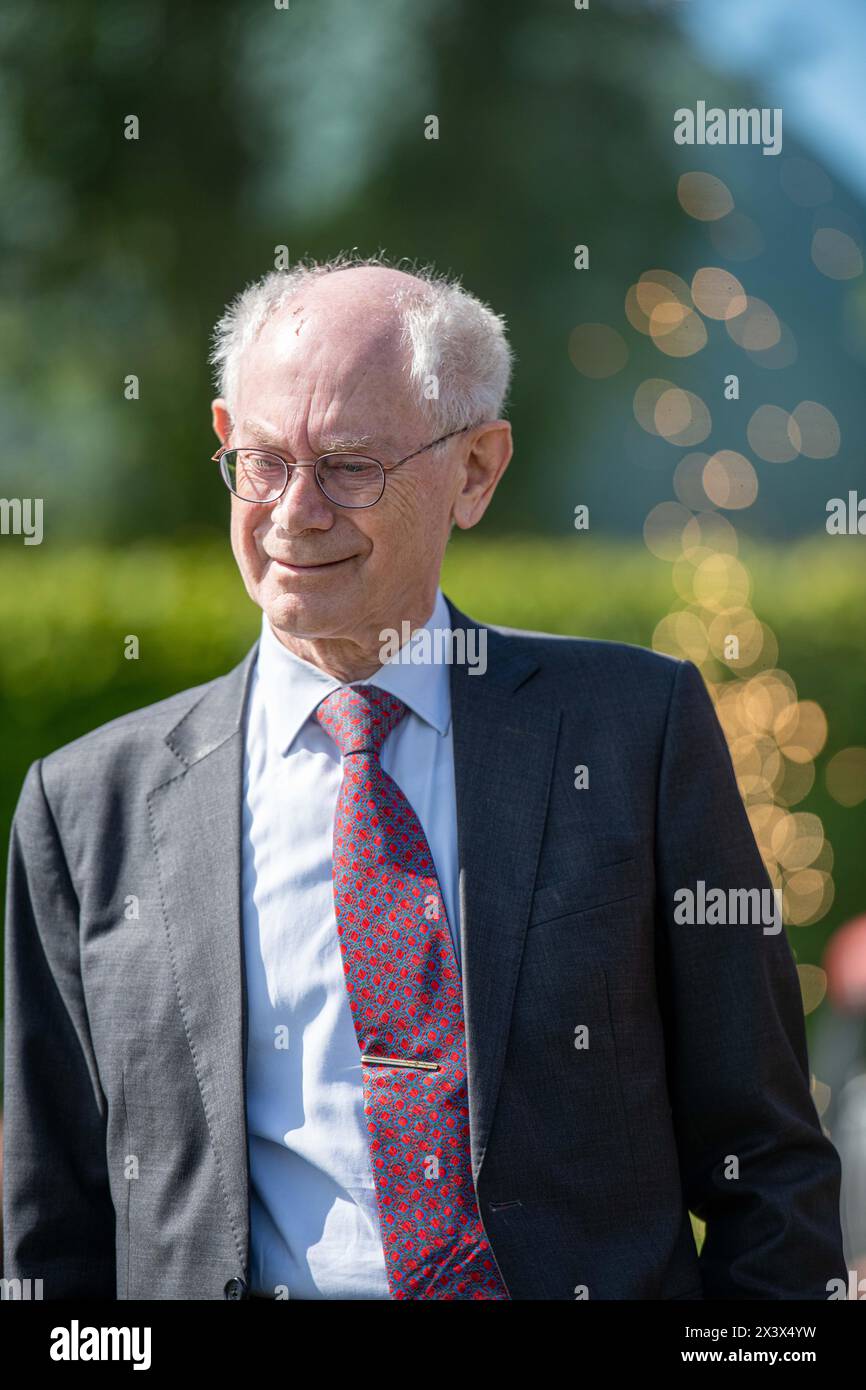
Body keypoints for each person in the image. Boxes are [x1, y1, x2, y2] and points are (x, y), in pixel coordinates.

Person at [3, 254, 846, 1300]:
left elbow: (765, 1163)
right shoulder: (86, 807)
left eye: (351, 466)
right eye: (263, 460)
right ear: (224, 441)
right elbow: (51, 1226)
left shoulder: (632, 733)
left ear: (476, 469)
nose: (293, 512)